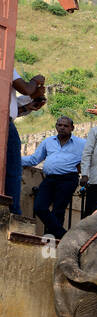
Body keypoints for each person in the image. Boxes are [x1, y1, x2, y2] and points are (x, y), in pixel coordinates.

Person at [22, 115, 86, 239]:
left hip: (68, 179)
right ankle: (62, 235)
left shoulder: (82, 143)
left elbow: (90, 159)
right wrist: (13, 159)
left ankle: (52, 240)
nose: (62, 128)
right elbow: (34, 159)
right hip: (50, 179)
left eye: (66, 126)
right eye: (59, 125)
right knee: (39, 207)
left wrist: (85, 174)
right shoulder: (48, 141)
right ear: (56, 126)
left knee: (58, 210)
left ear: (72, 128)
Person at [7, 71, 45, 215]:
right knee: (13, 170)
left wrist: (26, 106)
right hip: (5, 122)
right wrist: (35, 81)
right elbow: (26, 89)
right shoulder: (6, 63)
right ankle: (13, 212)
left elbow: (11, 104)